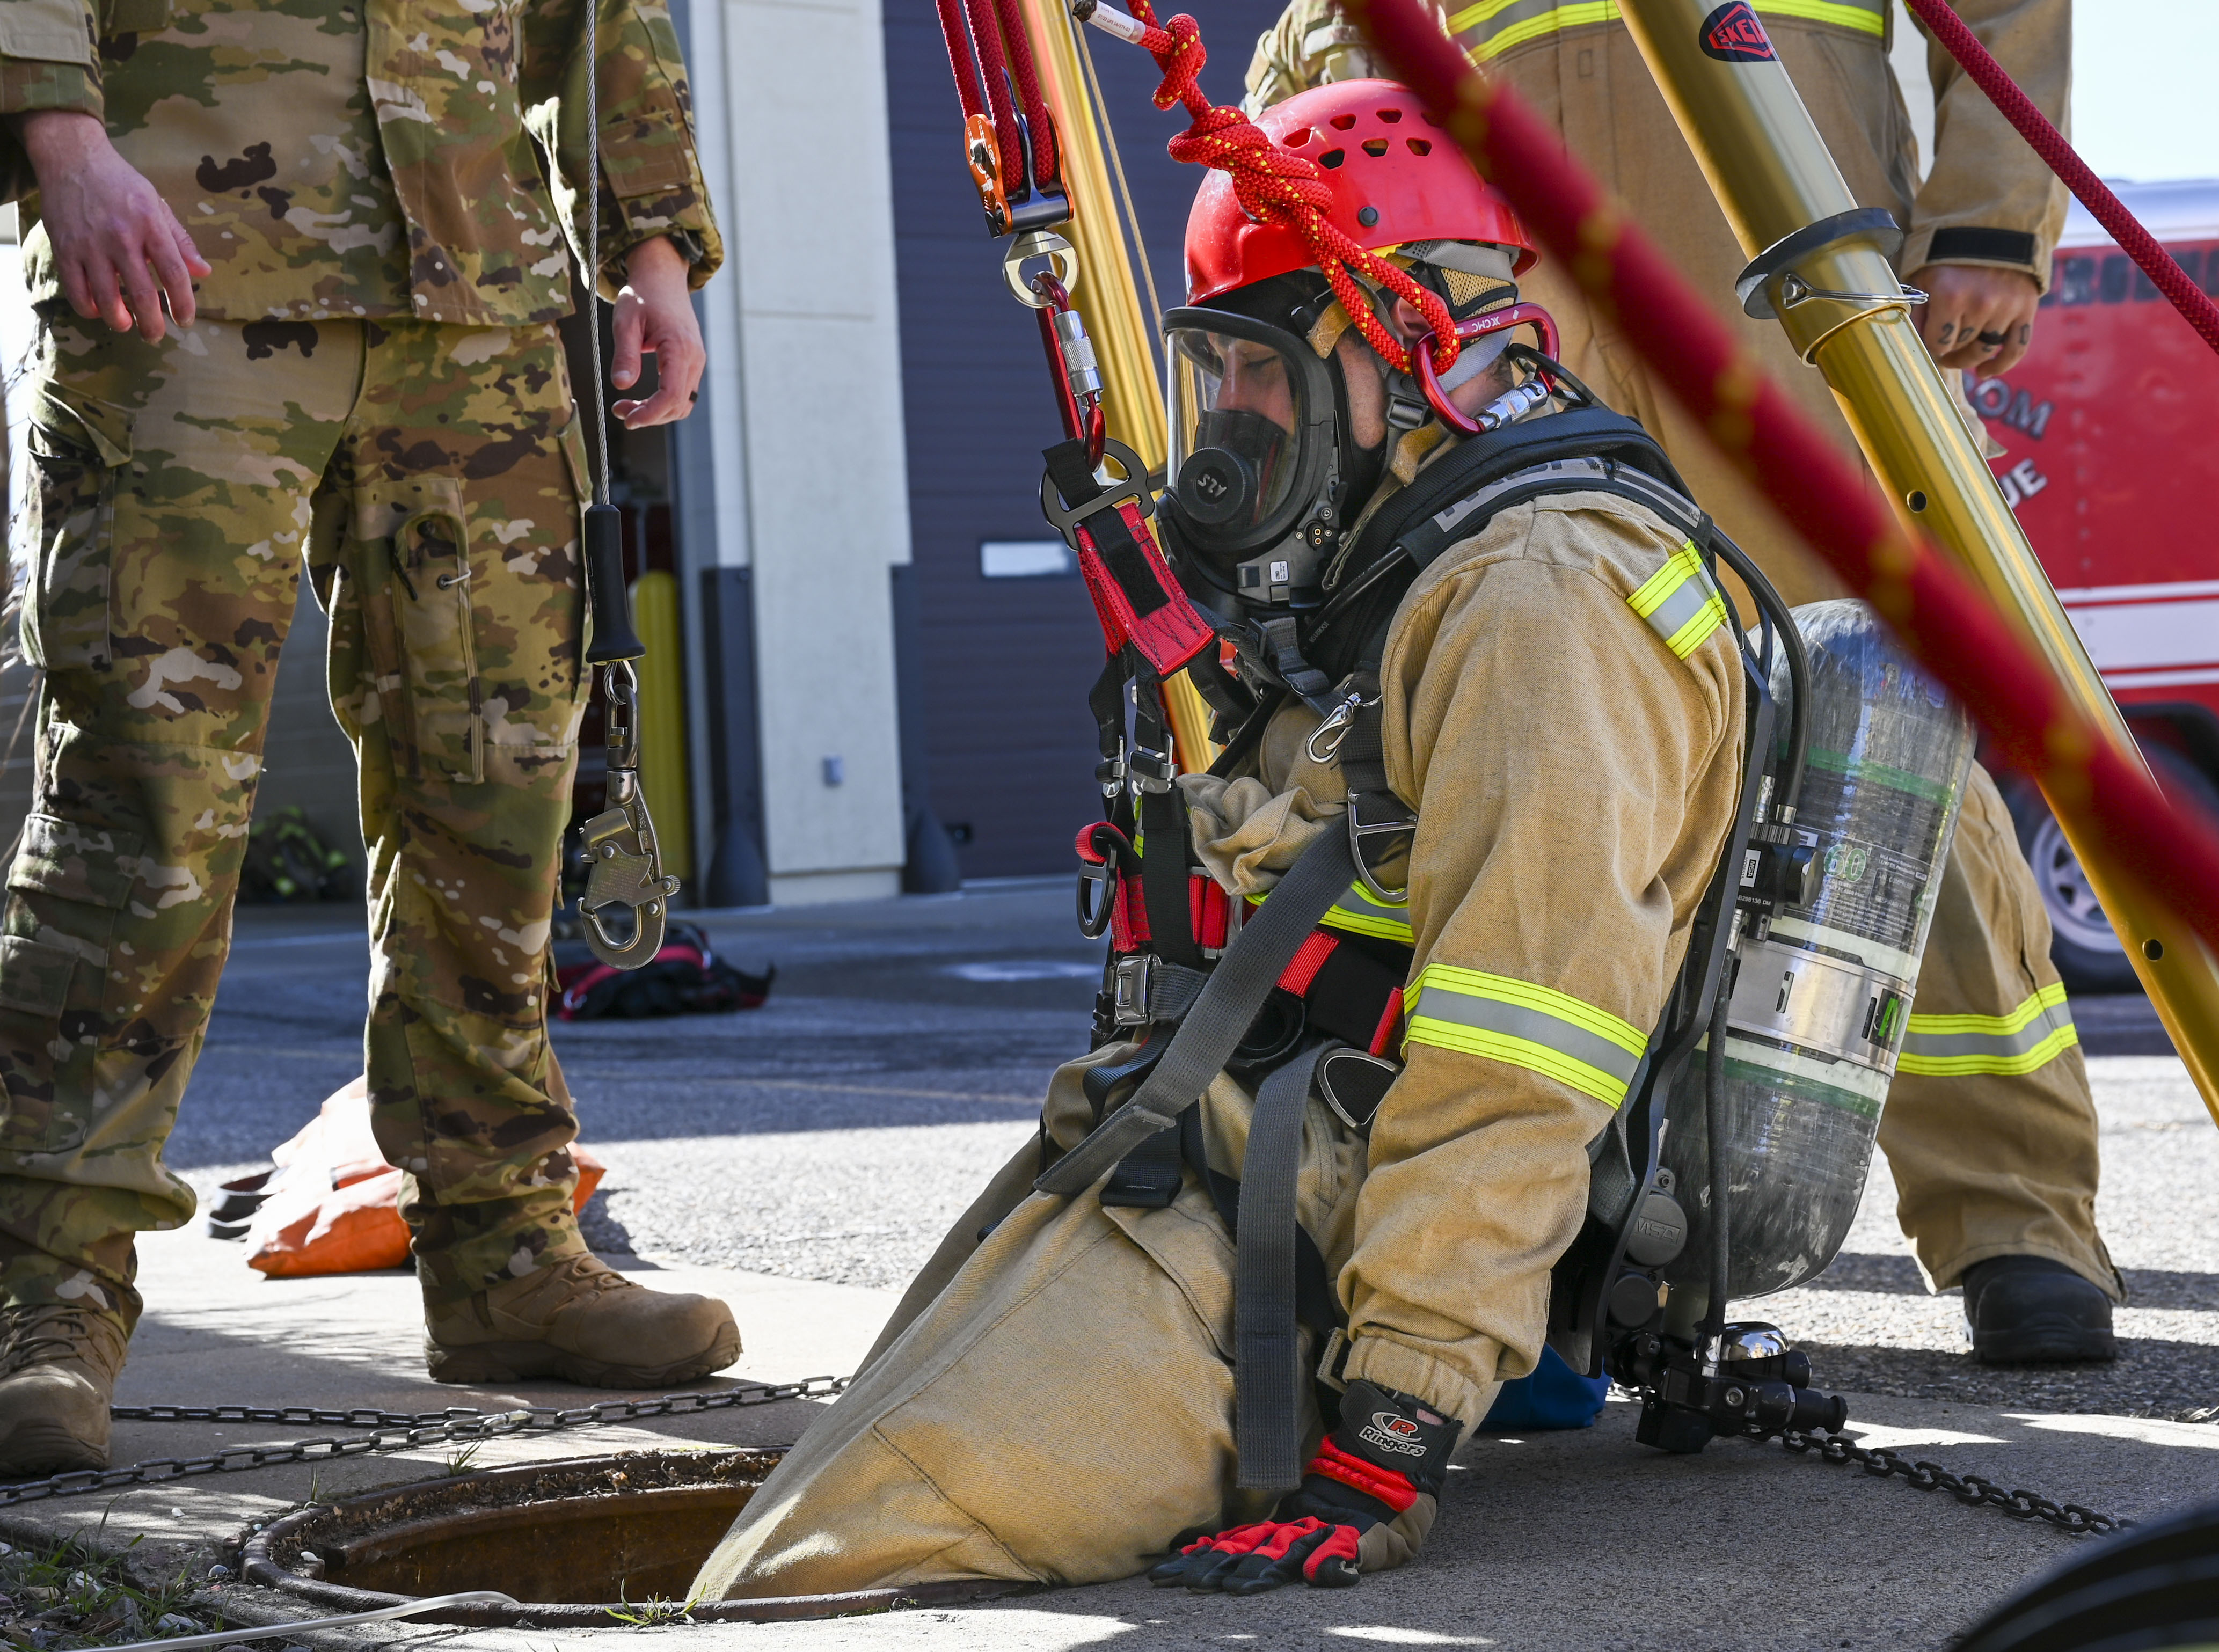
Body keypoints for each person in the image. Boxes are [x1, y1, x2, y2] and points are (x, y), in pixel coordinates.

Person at [692, 78, 1762, 1601]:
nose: (1227, 428)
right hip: (1227, 1145)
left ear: (1393, 336)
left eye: (1253, 378)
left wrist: (1391, 1417)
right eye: (1217, 376)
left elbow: (1527, 1044)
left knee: (841, 1549)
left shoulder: (1535, 598)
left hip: (1313, 1200)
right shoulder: (1412, 550)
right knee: (816, 1487)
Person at [1244, 0, 2120, 1363]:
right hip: (1489, 246)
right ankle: (1593, 1225)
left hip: (1763, 189)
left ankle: (2015, 1217)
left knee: (1875, 718)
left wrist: (1992, 221)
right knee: (1544, 717)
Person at [0, 0, 738, 1475]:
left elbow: (600, 14)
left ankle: (509, 1255)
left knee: (500, 783)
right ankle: (46, 1290)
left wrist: (648, 243)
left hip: (476, 281)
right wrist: (58, 136)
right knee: (143, 798)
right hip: (181, 249)